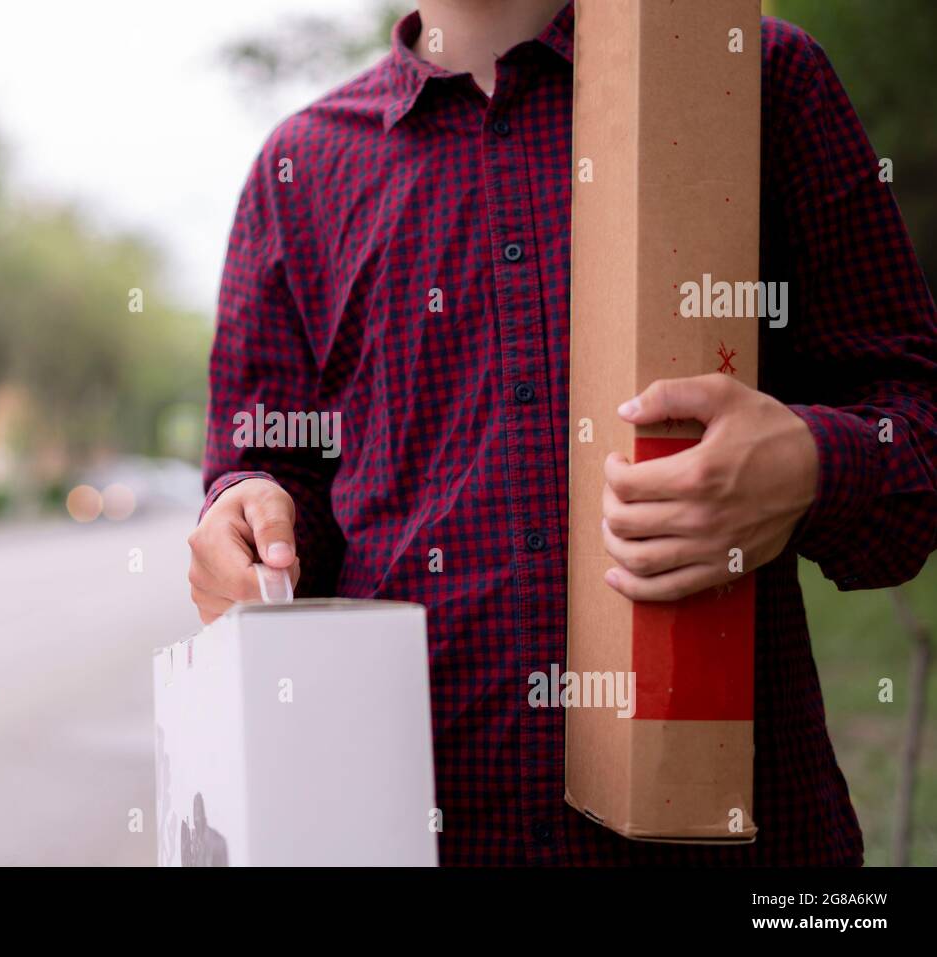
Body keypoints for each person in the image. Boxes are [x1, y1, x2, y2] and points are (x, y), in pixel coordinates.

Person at [187, 0, 937, 865]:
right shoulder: (297, 169)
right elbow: (272, 479)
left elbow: (915, 424)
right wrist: (248, 519)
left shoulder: (751, 75)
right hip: (417, 832)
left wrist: (810, 464)